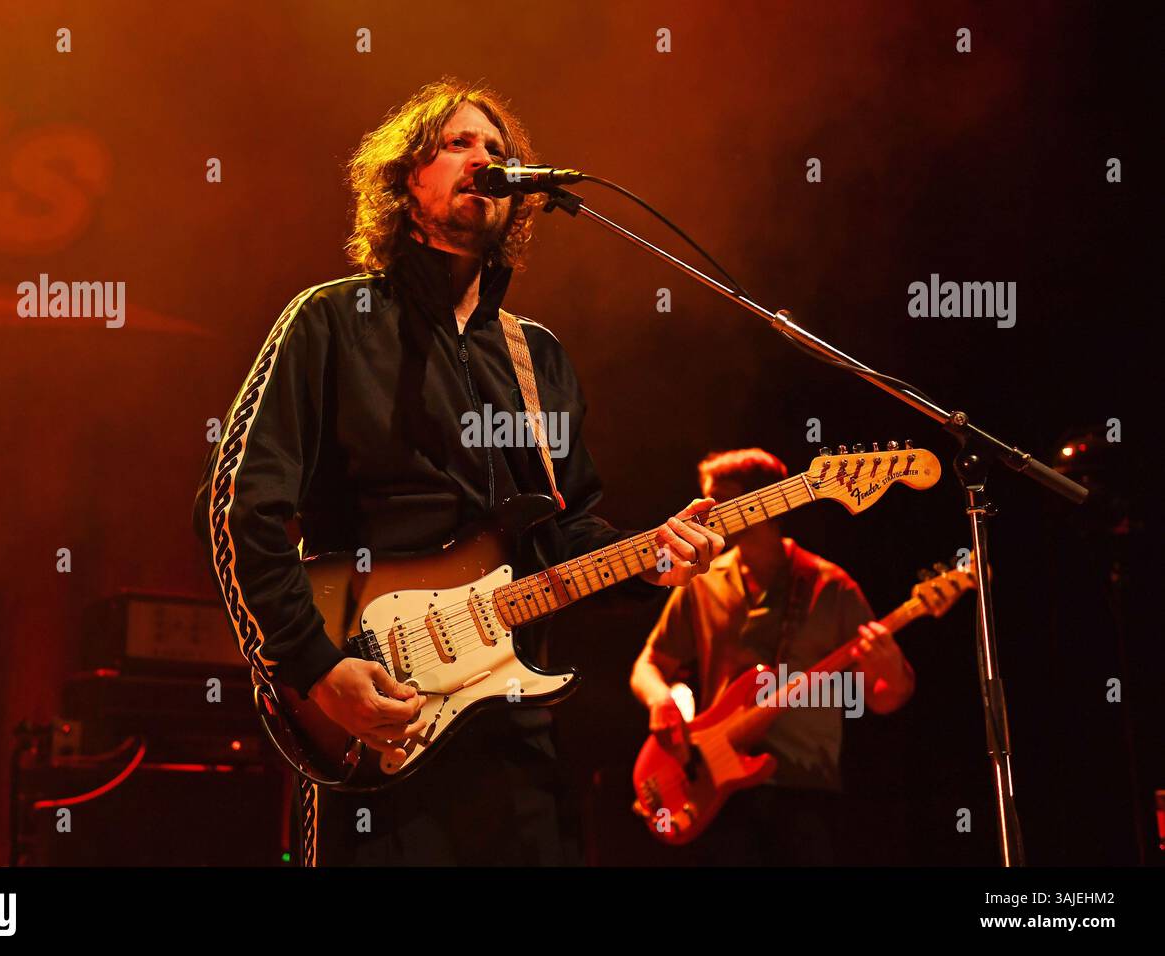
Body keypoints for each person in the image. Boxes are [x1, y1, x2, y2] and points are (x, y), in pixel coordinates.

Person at [192, 78, 725, 865]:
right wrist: (314, 667)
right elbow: (239, 506)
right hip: (378, 712)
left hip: (515, 731)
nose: (485, 159)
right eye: (459, 144)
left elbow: (566, 528)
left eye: (499, 151)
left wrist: (652, 557)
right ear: (409, 180)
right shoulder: (330, 321)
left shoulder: (535, 357)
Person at [629, 448, 915, 864]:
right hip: (715, 786)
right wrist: (660, 701)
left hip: (806, 790)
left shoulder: (831, 586)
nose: (706, 516)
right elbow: (648, 665)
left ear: (761, 502)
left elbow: (885, 697)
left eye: (721, 501)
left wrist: (891, 670)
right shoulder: (701, 585)